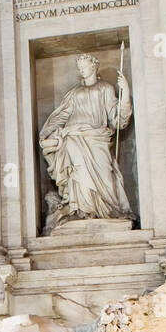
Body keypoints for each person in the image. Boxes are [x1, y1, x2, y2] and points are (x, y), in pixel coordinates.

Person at [39, 53, 132, 228]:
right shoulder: (74, 93)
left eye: (85, 65)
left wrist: (125, 92)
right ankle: (80, 210)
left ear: (94, 66)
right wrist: (48, 133)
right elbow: (61, 116)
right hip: (73, 137)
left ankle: (106, 210)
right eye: (79, 66)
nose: (82, 69)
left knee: (105, 174)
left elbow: (117, 119)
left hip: (97, 139)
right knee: (78, 173)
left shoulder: (105, 88)